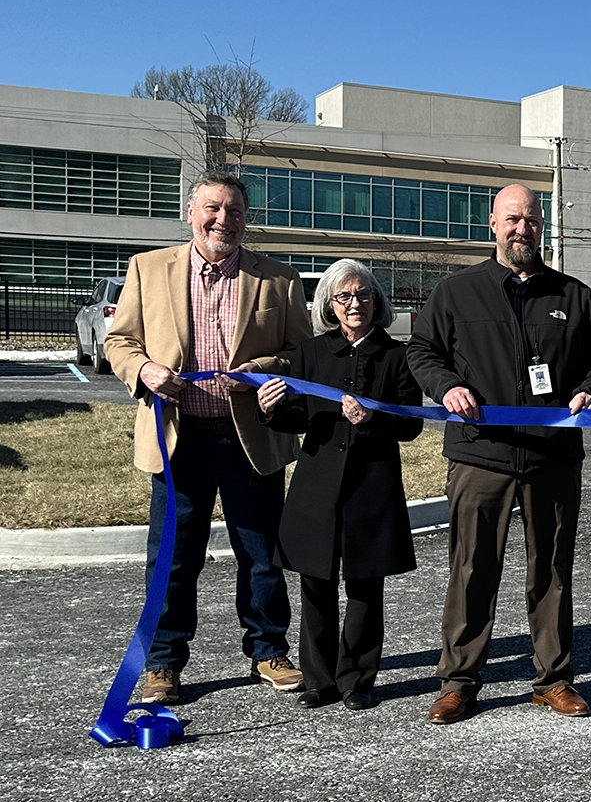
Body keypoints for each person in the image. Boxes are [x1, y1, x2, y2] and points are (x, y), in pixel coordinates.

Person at [405, 184, 591, 725]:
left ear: (542, 225)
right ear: (493, 224)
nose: (521, 228)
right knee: (472, 568)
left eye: (531, 219)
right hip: (481, 455)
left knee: (550, 571)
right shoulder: (456, 292)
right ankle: (459, 680)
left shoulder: (574, 296)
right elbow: (421, 351)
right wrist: (446, 386)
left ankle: (553, 679)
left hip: (552, 457)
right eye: (512, 219)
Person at [104, 172, 310, 706]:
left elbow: (300, 354)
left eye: (235, 211)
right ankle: (164, 663)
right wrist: (145, 370)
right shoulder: (148, 269)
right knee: (172, 557)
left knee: (261, 554)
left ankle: (268, 650)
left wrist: (263, 371)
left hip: (250, 440)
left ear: (246, 218)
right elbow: (120, 340)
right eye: (213, 209)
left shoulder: (279, 280)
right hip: (179, 440)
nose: (225, 220)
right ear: (191, 213)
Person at [256, 259, 425, 711]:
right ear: (330, 304)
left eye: (364, 295)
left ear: (377, 302)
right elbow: (298, 415)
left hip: (372, 485)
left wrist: (372, 419)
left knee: (366, 589)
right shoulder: (311, 353)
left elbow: (411, 424)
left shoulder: (397, 355)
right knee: (315, 584)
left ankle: (357, 681)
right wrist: (271, 409)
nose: (355, 304)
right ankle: (320, 680)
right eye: (345, 297)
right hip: (317, 486)